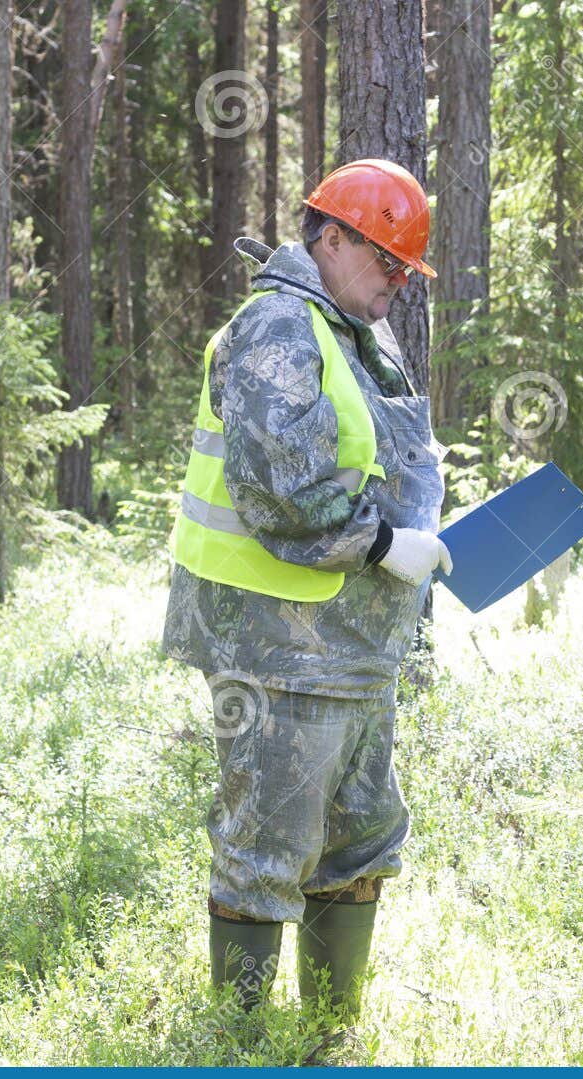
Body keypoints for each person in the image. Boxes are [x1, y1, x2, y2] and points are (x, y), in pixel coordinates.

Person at [161, 157, 452, 1021]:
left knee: (359, 836)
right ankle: (241, 1053)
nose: (398, 281)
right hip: (276, 646)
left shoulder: (358, 333)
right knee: (267, 844)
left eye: (407, 268)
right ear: (330, 239)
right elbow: (285, 489)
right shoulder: (280, 328)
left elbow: (371, 461)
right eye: (386, 260)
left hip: (353, 646)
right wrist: (388, 541)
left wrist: (421, 522)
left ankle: (329, 1034)